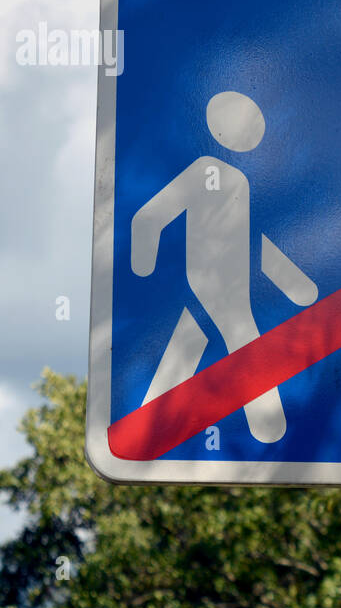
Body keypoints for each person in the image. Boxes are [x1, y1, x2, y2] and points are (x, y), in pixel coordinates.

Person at [130, 91, 317, 444]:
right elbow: (150, 217)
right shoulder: (203, 172)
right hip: (206, 281)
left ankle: (148, 425)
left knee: (194, 340)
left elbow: (253, 240)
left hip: (229, 284)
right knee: (236, 341)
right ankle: (267, 425)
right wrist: (142, 264)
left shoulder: (239, 182)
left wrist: (293, 283)